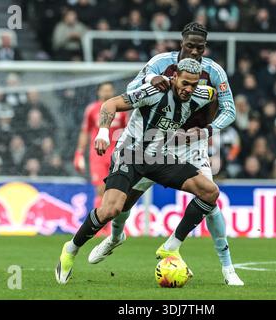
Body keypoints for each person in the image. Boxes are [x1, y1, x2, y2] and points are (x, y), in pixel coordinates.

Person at [88, 22, 243, 286]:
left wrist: (205, 131)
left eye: (200, 47)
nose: (195, 51)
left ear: (205, 48)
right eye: (190, 45)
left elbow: (229, 110)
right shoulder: (161, 62)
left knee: (210, 200)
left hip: (192, 145)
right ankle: (114, 238)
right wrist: (151, 79)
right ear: (181, 43)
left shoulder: (214, 71)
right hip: (157, 142)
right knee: (124, 202)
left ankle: (227, 268)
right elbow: (133, 86)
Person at [56, 58, 223, 285]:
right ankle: (71, 249)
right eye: (185, 83)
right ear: (174, 78)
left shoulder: (200, 93)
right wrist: (104, 133)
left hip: (159, 157)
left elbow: (214, 95)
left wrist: (204, 126)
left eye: (193, 84)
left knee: (209, 192)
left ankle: (171, 246)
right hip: (130, 154)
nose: (189, 89)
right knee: (111, 210)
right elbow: (110, 105)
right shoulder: (154, 90)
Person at [73, 83, 127, 209]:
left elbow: (128, 130)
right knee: (101, 190)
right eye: (104, 90)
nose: (107, 93)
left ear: (113, 92)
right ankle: (101, 228)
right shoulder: (92, 109)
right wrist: (79, 153)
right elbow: (85, 131)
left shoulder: (121, 110)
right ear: (99, 92)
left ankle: (112, 226)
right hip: (98, 155)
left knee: (116, 192)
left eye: (109, 90)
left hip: (117, 155)